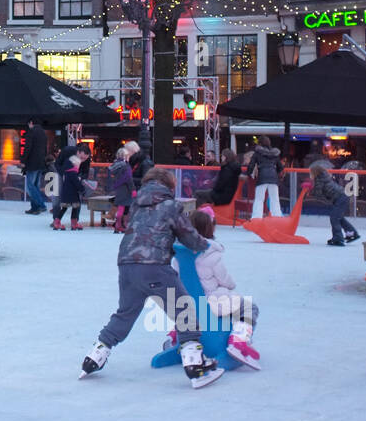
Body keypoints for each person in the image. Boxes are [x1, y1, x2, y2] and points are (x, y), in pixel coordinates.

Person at [79, 168, 223, 388]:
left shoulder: (137, 205)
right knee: (185, 310)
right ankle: (195, 364)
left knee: (125, 313)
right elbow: (188, 236)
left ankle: (95, 355)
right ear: (169, 186)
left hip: (126, 264)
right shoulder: (171, 206)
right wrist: (206, 245)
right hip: (154, 266)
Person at [183, 208, 260, 369]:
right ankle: (239, 341)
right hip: (211, 302)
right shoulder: (212, 254)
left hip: (187, 303)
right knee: (249, 307)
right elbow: (226, 281)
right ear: (210, 229)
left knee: (181, 311)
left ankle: (174, 338)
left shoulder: (179, 253)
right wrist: (230, 285)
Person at [310, 161, 359, 246]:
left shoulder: (319, 178)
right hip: (341, 197)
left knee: (334, 218)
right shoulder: (323, 177)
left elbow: (318, 193)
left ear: (315, 172)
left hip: (341, 198)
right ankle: (351, 233)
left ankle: (338, 238)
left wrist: (310, 189)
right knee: (338, 217)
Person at [50, 143, 91, 231]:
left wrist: (80, 177)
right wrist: (64, 174)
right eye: (81, 158)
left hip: (74, 176)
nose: (83, 160)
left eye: (85, 159)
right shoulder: (67, 151)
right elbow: (57, 164)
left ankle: (75, 221)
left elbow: (85, 172)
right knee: (58, 198)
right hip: (62, 174)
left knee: (77, 200)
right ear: (78, 152)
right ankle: (56, 220)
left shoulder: (86, 159)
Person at [247, 136, 283, 218]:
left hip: (262, 177)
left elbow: (251, 166)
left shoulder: (257, 153)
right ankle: (277, 218)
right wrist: (275, 174)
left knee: (259, 199)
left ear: (259, 143)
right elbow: (280, 167)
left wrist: (249, 175)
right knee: (275, 199)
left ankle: (256, 218)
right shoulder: (275, 154)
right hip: (273, 178)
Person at [21, 117, 49, 215]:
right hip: (40, 163)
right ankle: (35, 208)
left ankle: (41, 205)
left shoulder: (31, 132)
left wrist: (23, 160)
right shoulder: (44, 133)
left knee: (30, 186)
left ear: (31, 123)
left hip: (32, 163)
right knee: (35, 185)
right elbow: (45, 150)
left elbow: (27, 148)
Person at [109, 143, 135, 234]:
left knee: (120, 208)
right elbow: (129, 179)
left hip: (118, 189)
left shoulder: (115, 165)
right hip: (126, 189)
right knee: (126, 208)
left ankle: (117, 226)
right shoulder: (126, 166)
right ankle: (124, 225)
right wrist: (133, 190)